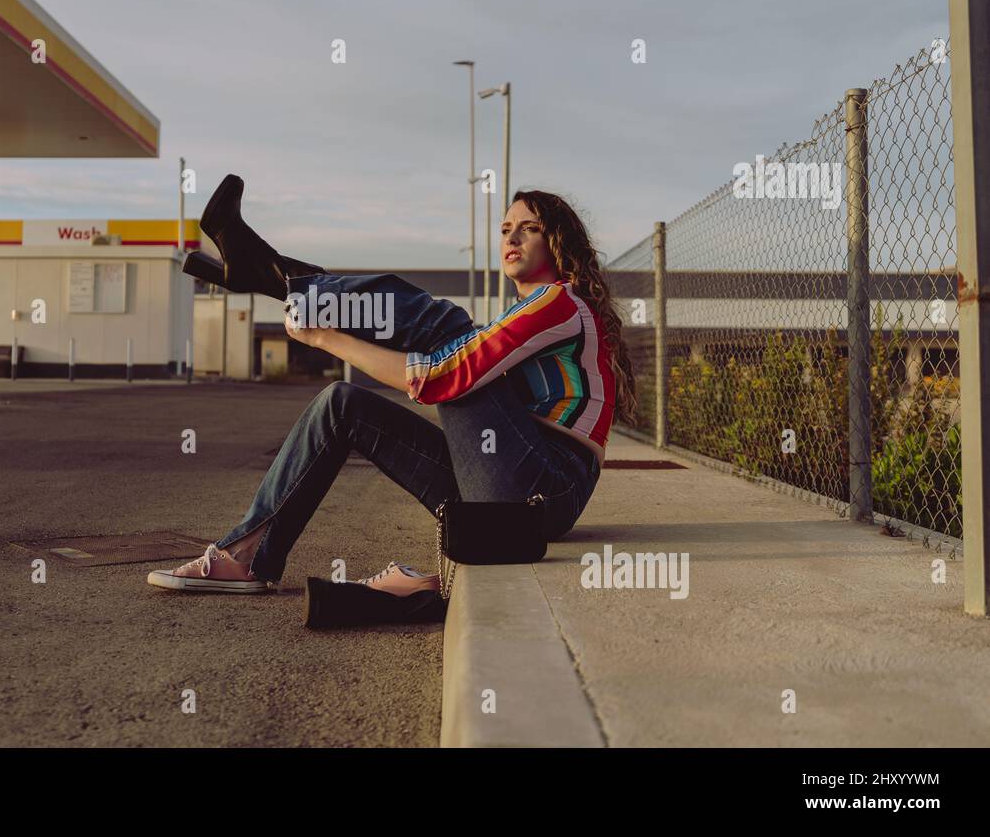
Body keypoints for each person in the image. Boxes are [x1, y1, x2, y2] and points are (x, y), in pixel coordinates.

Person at [147, 175, 636, 595]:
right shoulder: (526, 314)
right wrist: (329, 332)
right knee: (341, 405)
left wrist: (324, 336)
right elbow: (446, 374)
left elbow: (447, 375)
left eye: (530, 228)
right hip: (508, 487)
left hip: (545, 488)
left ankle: (278, 276)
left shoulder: (560, 302)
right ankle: (247, 556)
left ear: (558, 241)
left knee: (446, 328)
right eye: (506, 228)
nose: (512, 237)